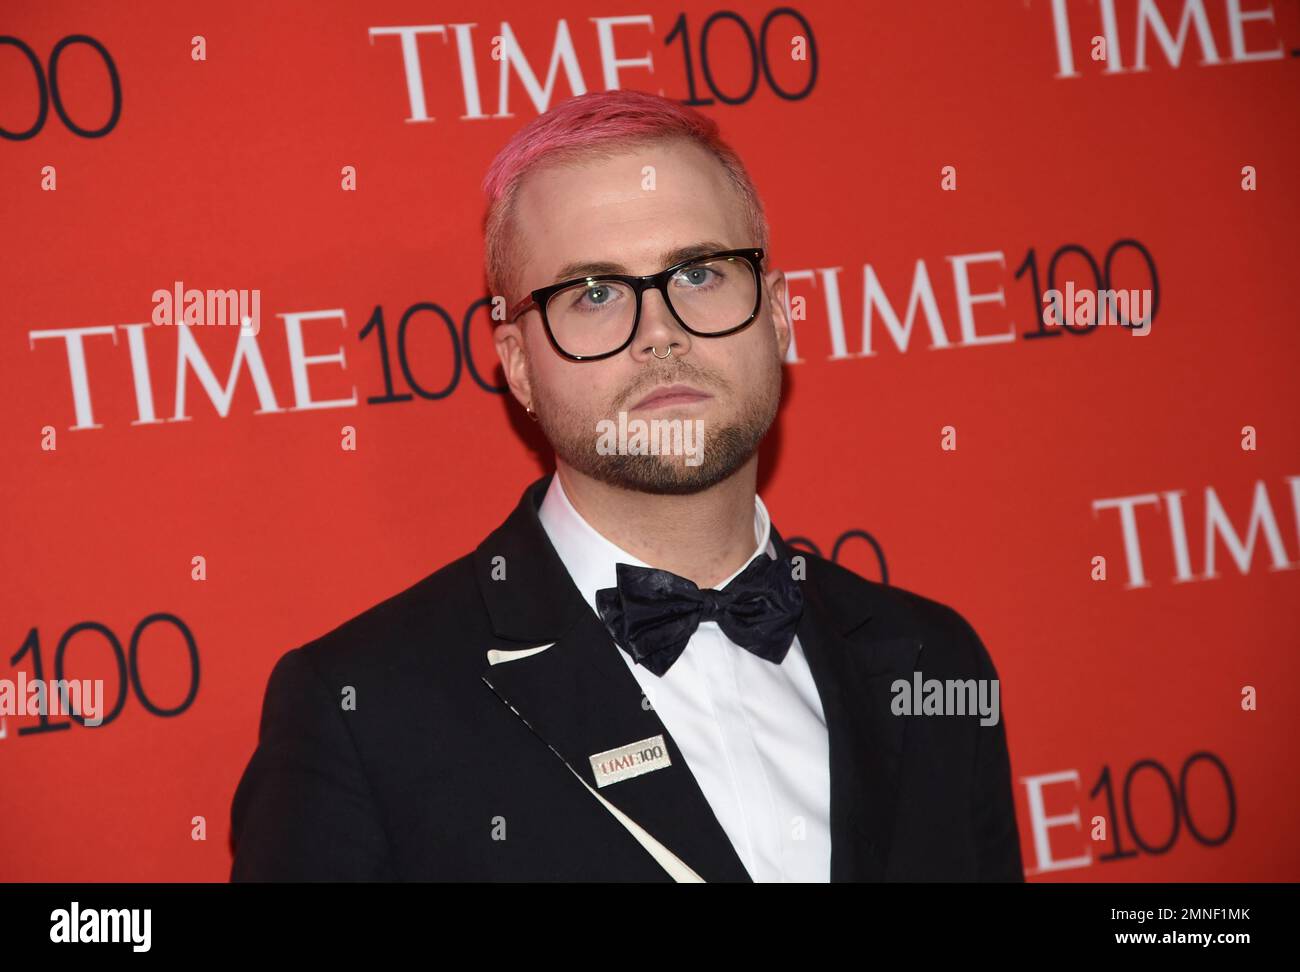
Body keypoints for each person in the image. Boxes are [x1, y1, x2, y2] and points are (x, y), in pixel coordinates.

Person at [229, 88, 1024, 882]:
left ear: (778, 317)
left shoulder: (932, 661)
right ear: (517, 365)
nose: (661, 334)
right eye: (595, 294)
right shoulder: (360, 714)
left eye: (701, 274)